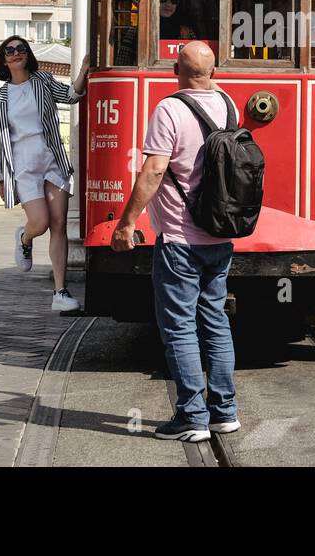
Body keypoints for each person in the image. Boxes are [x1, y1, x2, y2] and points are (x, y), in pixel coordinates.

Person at [111, 42, 239, 443]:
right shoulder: (229, 105)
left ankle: (191, 417)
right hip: (220, 236)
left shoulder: (170, 109)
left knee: (180, 327)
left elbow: (153, 171)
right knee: (216, 321)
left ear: (175, 70)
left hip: (182, 238)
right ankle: (224, 412)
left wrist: (126, 222)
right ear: (213, 71)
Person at [0, 36, 86, 313]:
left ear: (28, 54)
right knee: (39, 223)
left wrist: (85, 69)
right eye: (10, 50)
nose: (16, 53)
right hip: (23, 165)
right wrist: (0, 177)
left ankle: (60, 292)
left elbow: (72, 96)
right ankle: (25, 239)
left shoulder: (43, 81)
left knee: (58, 224)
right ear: (4, 59)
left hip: (52, 158)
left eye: (21, 49)